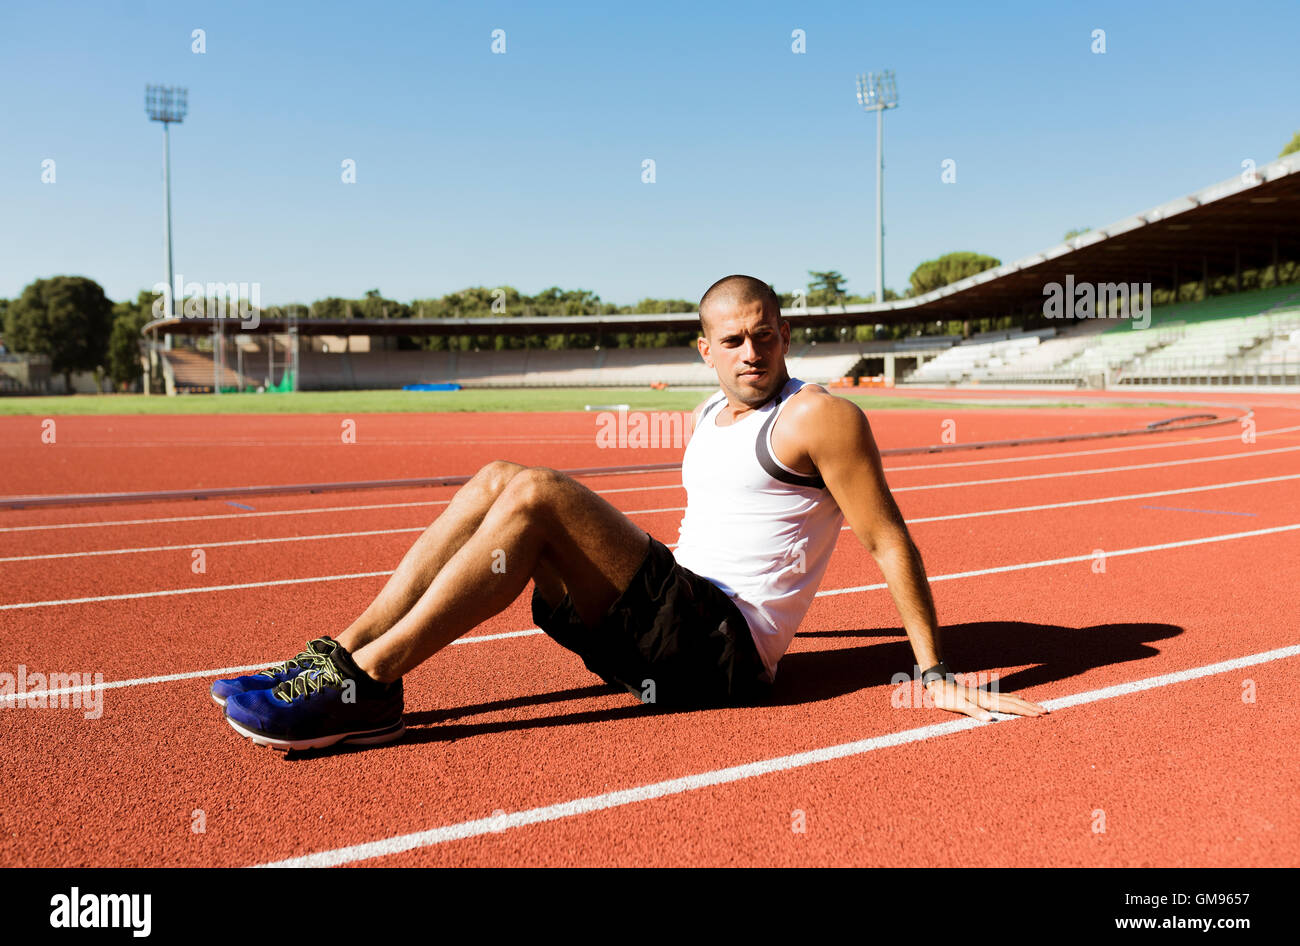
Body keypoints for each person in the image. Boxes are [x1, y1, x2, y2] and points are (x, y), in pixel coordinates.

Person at [213, 274, 1047, 750]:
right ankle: (337, 659)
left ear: (785, 334)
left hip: (722, 658)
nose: (751, 352)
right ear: (705, 350)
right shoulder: (705, 415)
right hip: (665, 632)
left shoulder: (819, 417)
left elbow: (887, 538)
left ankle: (370, 685)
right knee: (500, 473)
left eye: (764, 335)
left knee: (538, 491)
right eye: (733, 341)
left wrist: (932, 672)